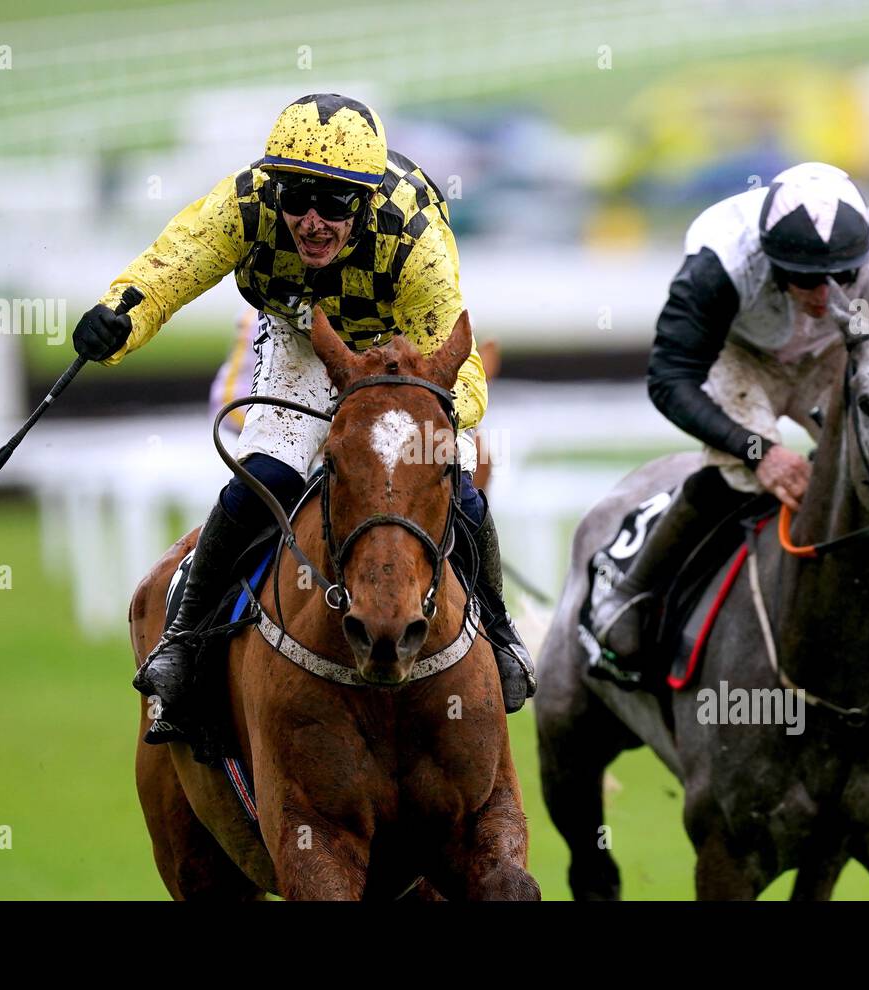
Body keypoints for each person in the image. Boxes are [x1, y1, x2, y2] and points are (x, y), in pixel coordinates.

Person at [72, 94, 535, 742]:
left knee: (450, 480)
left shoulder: (414, 237)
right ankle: (183, 643)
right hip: (302, 342)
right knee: (266, 480)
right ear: (273, 187)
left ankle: (501, 633)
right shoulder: (246, 204)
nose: (312, 221)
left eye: (334, 203)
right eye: (296, 198)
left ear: (367, 200)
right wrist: (118, 320)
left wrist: (418, 422)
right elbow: (171, 266)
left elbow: (461, 370)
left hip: (402, 355)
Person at [590, 161, 869, 679]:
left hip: (835, 349)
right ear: (770, 258)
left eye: (842, 276)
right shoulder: (719, 264)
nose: (824, 295)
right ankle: (631, 593)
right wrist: (758, 452)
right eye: (804, 279)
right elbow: (669, 378)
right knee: (743, 472)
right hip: (740, 356)